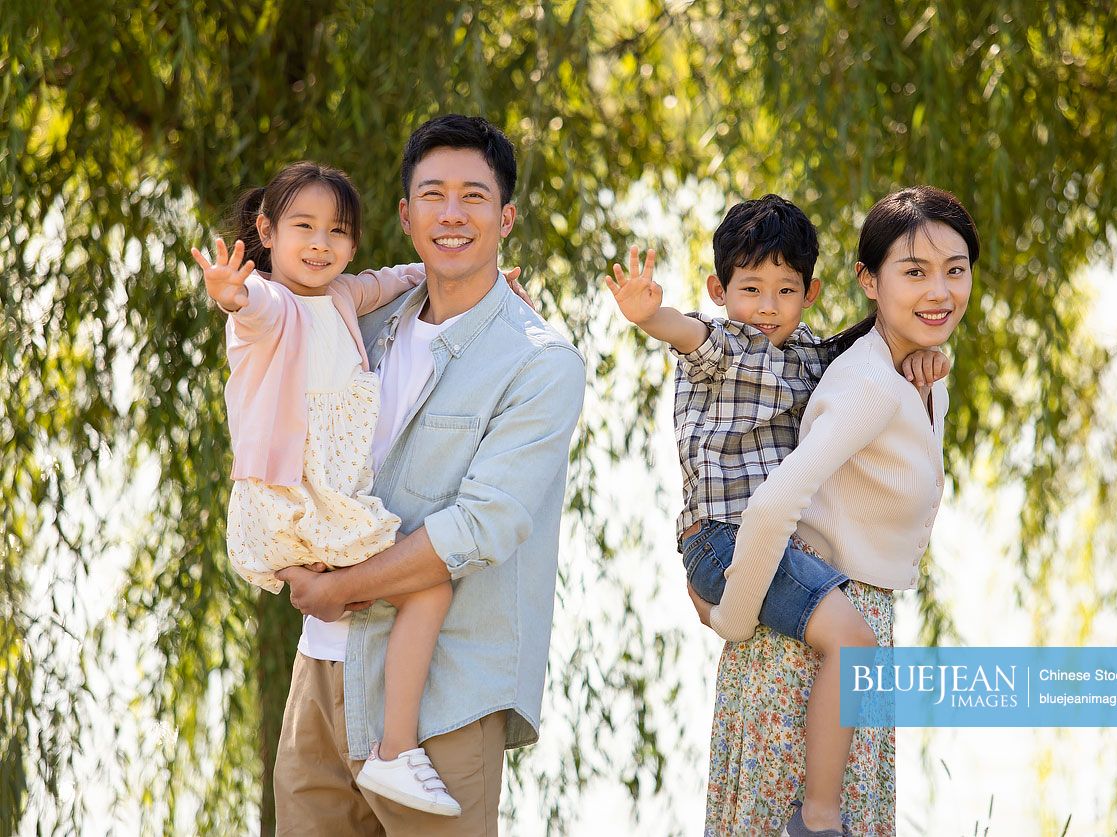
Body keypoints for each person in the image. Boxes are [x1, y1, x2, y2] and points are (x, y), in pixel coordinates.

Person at [267, 115, 585, 836]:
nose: (451, 214)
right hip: (320, 675)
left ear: (505, 217)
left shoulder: (537, 363)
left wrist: (339, 588)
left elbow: (482, 525)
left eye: (473, 196)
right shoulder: (359, 327)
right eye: (432, 195)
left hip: (441, 691)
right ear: (405, 216)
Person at [602, 194, 949, 837]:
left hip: (764, 546)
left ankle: (814, 801)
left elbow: (874, 349)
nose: (766, 307)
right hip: (727, 541)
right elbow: (689, 333)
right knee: (851, 639)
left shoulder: (810, 356)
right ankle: (818, 818)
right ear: (718, 289)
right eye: (750, 289)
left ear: (811, 293)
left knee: (846, 644)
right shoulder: (727, 344)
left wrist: (926, 359)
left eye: (785, 290)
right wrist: (651, 316)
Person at [696, 185, 979, 836]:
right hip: (803, 656)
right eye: (913, 272)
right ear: (868, 280)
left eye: (953, 270)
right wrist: (730, 617)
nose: (938, 291)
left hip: (842, 641)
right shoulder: (871, 382)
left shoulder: (909, 369)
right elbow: (770, 504)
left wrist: (929, 379)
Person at [193, 161, 463, 814]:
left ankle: (316, 593)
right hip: (295, 498)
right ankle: (394, 748)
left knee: (365, 592)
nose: (320, 244)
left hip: (323, 501)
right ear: (267, 231)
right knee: (428, 580)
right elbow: (252, 311)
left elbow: (394, 281)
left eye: (337, 232)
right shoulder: (272, 304)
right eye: (303, 228)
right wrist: (232, 294)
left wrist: (465, 280)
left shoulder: (340, 296)